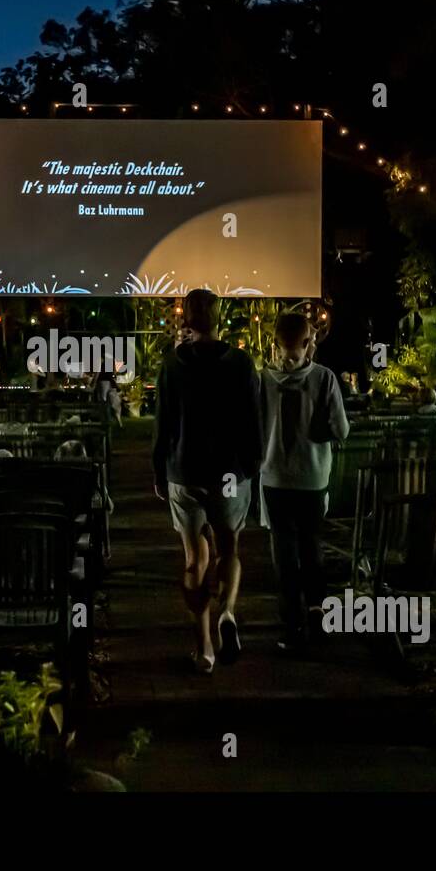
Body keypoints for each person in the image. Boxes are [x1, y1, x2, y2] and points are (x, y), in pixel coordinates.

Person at [153, 288, 262, 675]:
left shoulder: (172, 365)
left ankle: (204, 650)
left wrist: (158, 470)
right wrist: (252, 465)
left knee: (193, 557)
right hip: (230, 472)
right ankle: (227, 612)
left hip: (184, 471)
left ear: (187, 319)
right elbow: (254, 420)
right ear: (219, 318)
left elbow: (164, 423)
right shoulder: (241, 363)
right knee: (228, 547)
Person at [261, 313, 349, 653]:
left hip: (275, 477)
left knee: (283, 552)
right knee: (312, 547)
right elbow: (341, 430)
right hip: (313, 478)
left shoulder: (263, 380)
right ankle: (317, 615)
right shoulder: (324, 378)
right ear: (307, 344)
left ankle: (292, 623)